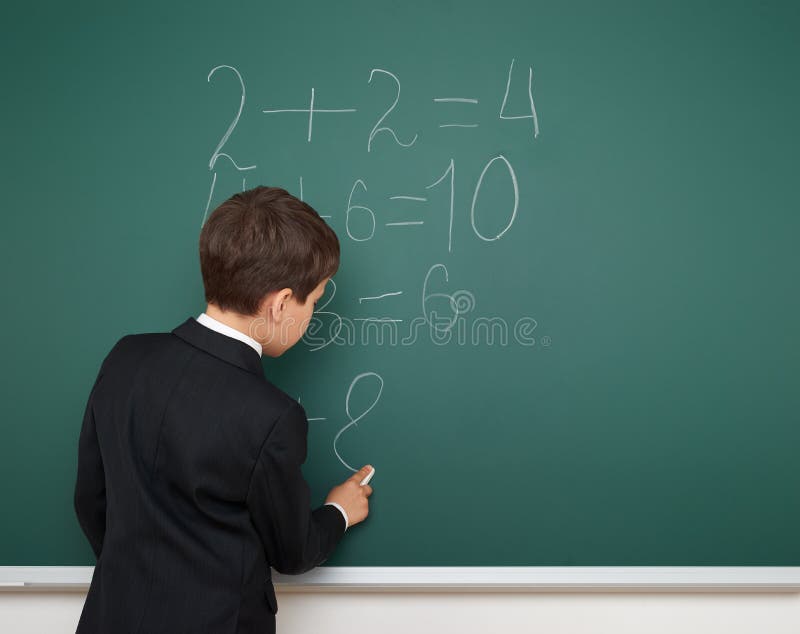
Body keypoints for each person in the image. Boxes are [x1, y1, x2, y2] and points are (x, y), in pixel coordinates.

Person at [73, 186, 373, 633]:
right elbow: (291, 552)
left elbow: (90, 501)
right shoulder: (272, 416)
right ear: (280, 303)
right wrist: (339, 512)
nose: (310, 316)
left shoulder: (125, 359)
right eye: (313, 302)